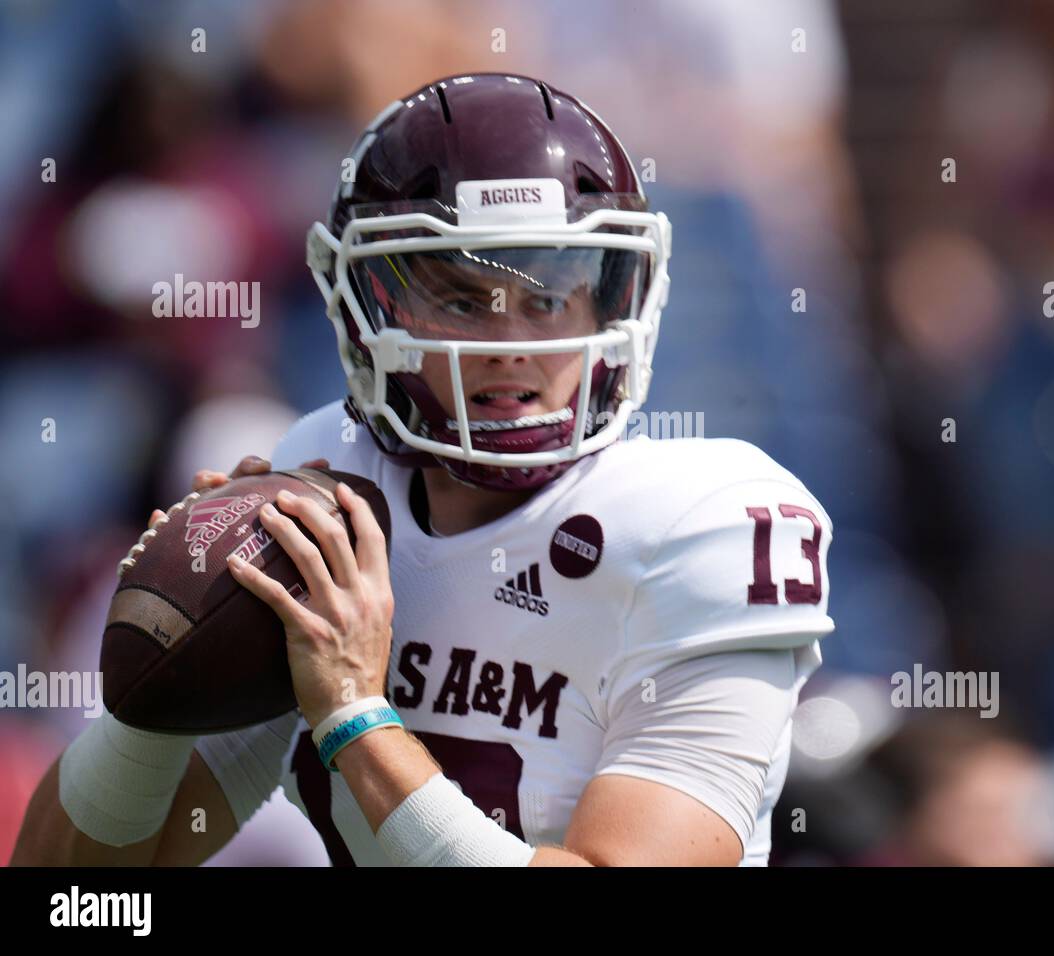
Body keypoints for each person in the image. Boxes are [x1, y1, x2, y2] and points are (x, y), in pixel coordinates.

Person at [13, 73, 832, 867]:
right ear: (368, 308)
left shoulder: (704, 526)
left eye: (549, 298)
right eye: (463, 298)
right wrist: (154, 690)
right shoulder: (327, 479)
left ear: (613, 304)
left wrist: (356, 717)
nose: (512, 347)